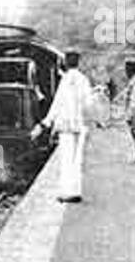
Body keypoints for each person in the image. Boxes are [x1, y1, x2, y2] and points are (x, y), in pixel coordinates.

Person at [31, 50, 95, 203]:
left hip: (65, 126)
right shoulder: (83, 80)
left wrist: (45, 123)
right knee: (77, 159)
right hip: (80, 125)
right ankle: (76, 191)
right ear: (78, 62)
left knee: (66, 158)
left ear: (66, 62)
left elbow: (56, 106)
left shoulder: (65, 81)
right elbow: (89, 104)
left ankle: (66, 192)